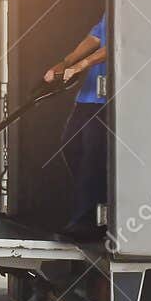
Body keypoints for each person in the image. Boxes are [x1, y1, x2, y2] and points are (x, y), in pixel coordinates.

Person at [44, 13, 108, 238]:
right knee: (71, 148)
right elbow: (95, 39)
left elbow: (118, 44)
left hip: (107, 99)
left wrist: (84, 64)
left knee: (93, 157)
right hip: (88, 96)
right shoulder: (112, 7)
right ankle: (93, 206)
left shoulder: (135, 8)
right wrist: (66, 62)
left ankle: (85, 221)